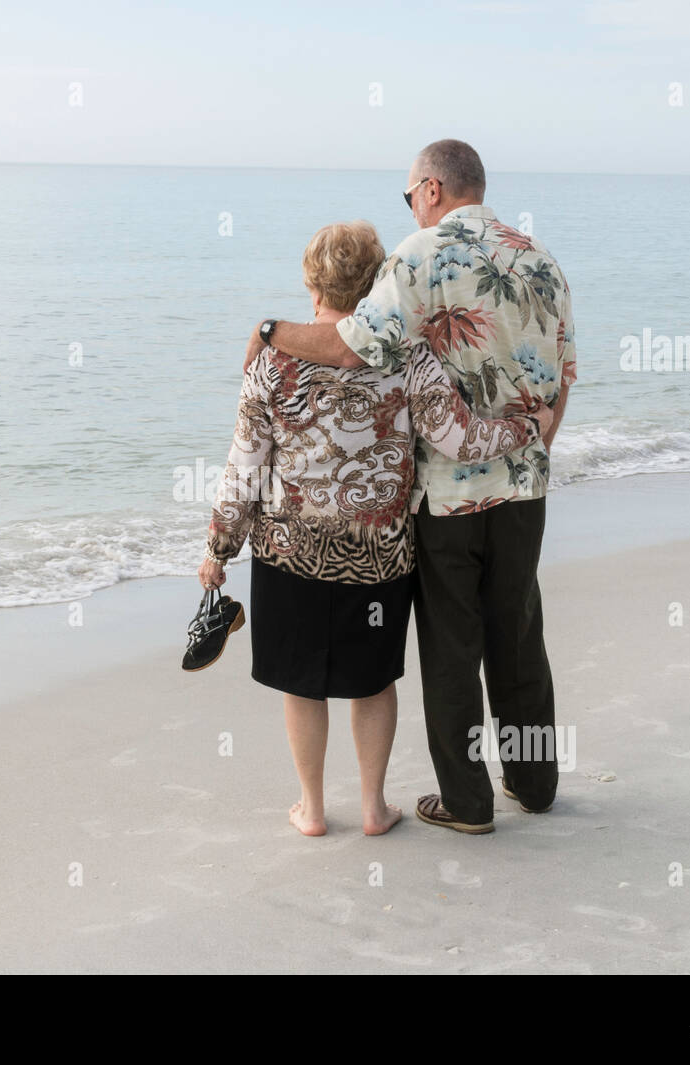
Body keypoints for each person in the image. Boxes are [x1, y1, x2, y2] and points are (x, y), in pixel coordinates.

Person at [241, 140, 577, 835]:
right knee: (517, 634)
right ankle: (535, 782)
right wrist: (533, 450)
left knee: (454, 644)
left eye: (409, 197)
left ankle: (467, 801)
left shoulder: (419, 257)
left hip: (448, 500)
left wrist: (272, 331)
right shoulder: (543, 261)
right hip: (523, 489)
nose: (412, 208)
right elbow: (562, 377)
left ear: (429, 189)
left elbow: (349, 347)